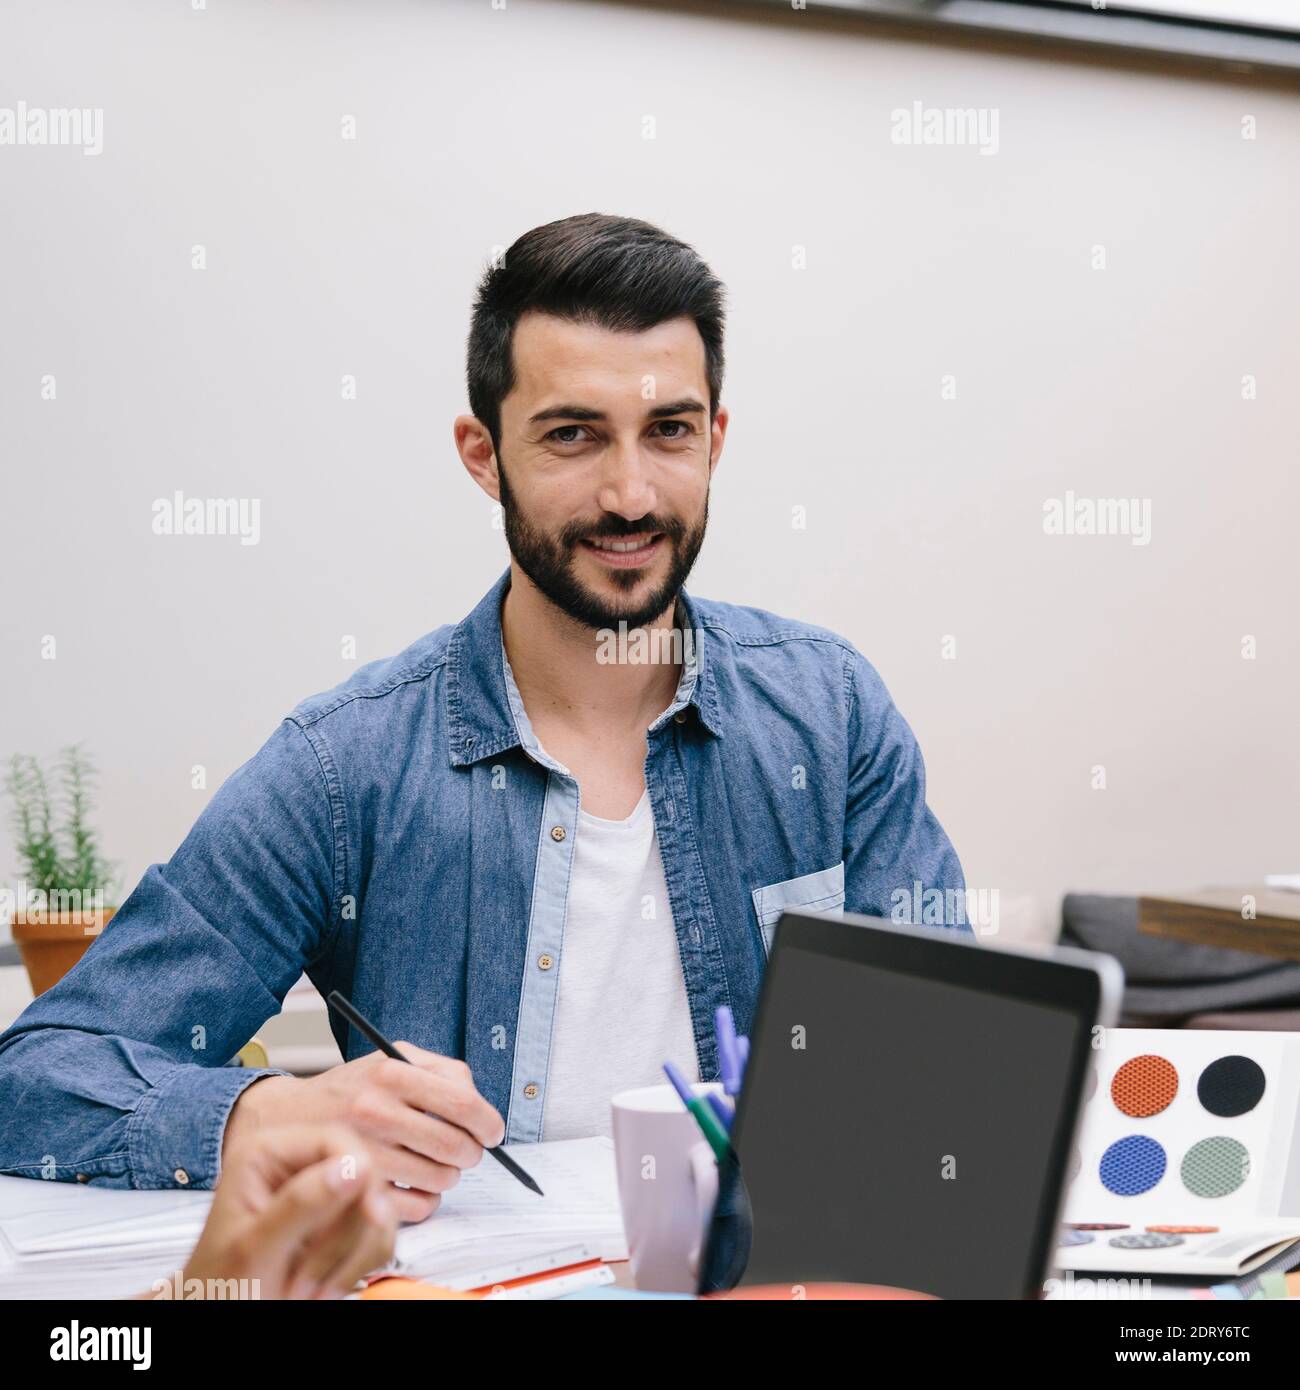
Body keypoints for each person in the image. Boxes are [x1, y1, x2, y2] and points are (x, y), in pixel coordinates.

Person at [0, 213, 966, 1218]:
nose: (631, 494)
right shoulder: (346, 768)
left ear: (715, 439)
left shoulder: (831, 713)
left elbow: (954, 1055)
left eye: (668, 431)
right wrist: (268, 1115)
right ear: (482, 453)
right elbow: (37, 1079)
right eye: (571, 435)